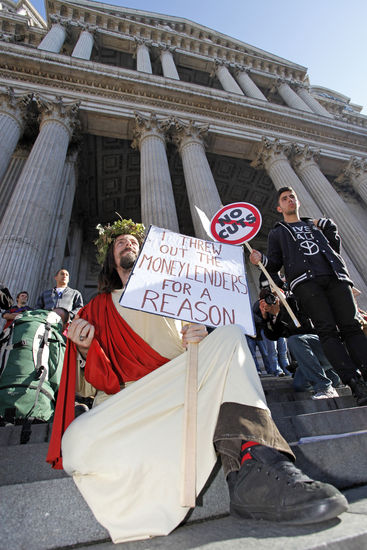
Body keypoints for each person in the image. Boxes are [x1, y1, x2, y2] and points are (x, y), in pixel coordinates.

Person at [46, 219, 347, 544]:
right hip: (129, 401)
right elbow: (85, 389)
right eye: (120, 243)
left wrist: (201, 337)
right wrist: (84, 348)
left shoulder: (176, 292)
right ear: (110, 259)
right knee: (75, 444)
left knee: (230, 335)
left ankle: (253, 461)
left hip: (180, 388)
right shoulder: (95, 309)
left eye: (133, 241)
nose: (128, 244)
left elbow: (203, 347)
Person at [250, 186, 367, 406]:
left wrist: (328, 226)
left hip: (335, 277)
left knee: (352, 326)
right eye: (284, 199)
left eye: (292, 197)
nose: (289, 200)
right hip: (305, 283)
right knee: (327, 331)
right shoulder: (278, 232)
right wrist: (261, 261)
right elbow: (274, 264)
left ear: (298, 202)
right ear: (279, 207)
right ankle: (354, 383)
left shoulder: (316, 226)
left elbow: (334, 249)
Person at [259, 288, 341, 399]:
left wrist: (283, 305)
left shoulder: (295, 303)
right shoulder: (276, 317)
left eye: (274, 295)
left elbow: (303, 328)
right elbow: (273, 336)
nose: (273, 300)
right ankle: (333, 377)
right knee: (300, 385)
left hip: (325, 344)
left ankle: (324, 388)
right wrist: (265, 318)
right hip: (311, 355)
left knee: (294, 340)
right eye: (268, 299)